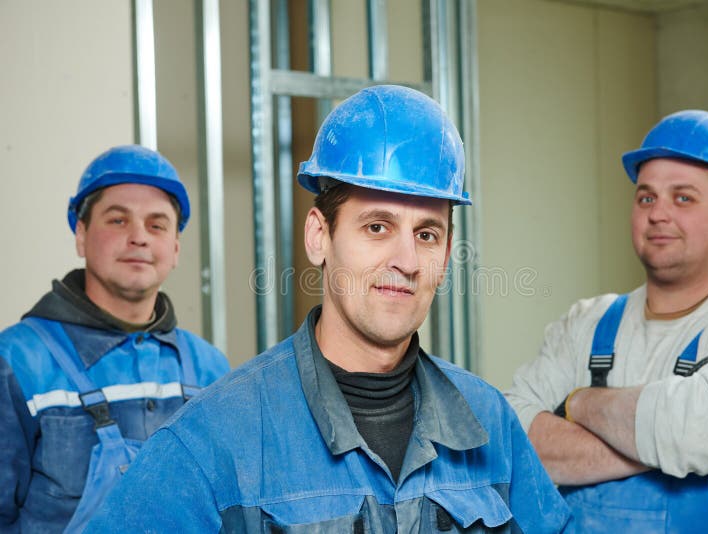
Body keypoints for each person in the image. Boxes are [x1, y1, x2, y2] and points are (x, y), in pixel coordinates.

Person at [85, 85, 571, 533]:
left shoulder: (488, 421)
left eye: (426, 234)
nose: (404, 262)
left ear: (445, 258)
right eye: (377, 227)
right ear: (319, 236)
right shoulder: (219, 437)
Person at [506, 109, 708, 532]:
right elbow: (514, 434)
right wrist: (656, 442)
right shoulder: (585, 324)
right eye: (647, 197)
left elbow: (694, 433)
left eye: (683, 197)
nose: (659, 214)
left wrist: (576, 403)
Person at [0, 145, 230, 533]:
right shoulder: (18, 362)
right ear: (81, 234)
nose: (139, 237)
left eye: (157, 225)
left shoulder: (209, 368)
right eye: (118, 220)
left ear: (174, 249)